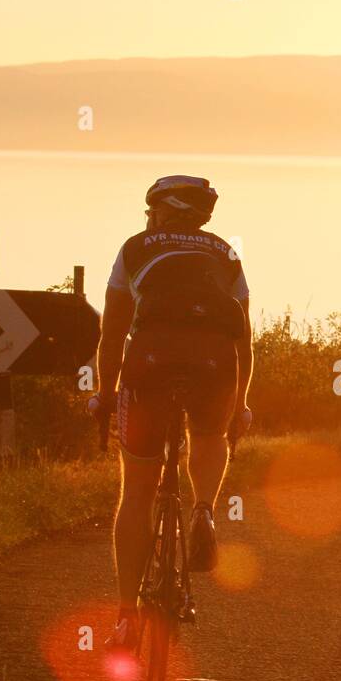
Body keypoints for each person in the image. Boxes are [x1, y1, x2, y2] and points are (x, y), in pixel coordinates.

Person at [87, 175, 253, 650]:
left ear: (159, 211)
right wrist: (240, 402)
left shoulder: (135, 248)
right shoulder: (225, 253)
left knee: (137, 489)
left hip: (150, 365)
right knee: (208, 437)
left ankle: (125, 618)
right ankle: (204, 510)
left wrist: (104, 393)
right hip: (216, 366)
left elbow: (113, 333)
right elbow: (243, 337)